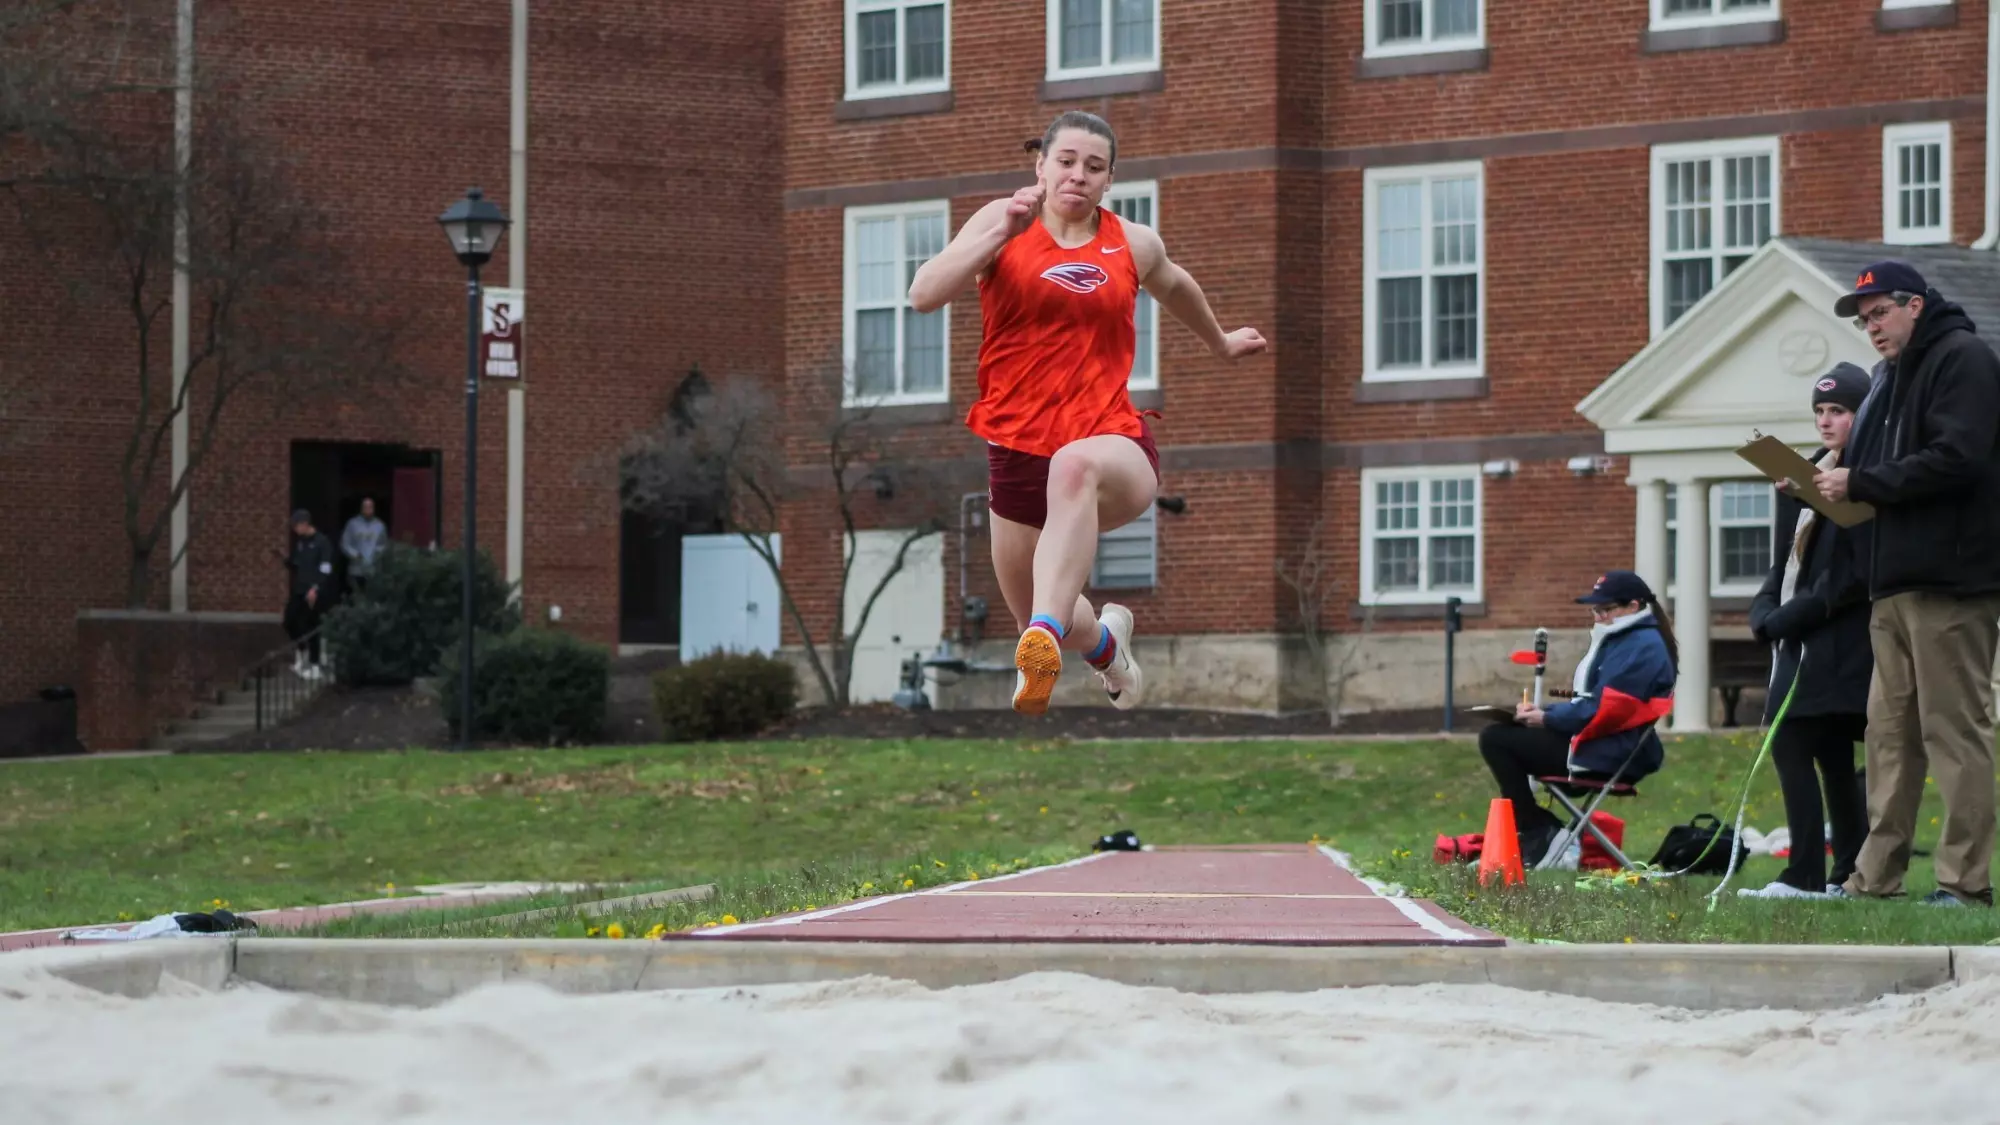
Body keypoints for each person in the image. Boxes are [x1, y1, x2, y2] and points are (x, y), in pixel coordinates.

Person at [906, 110, 1267, 716]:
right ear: (1040, 166)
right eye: (1066, 162)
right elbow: (923, 294)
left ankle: (1041, 640)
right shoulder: (1002, 223)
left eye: (1093, 167)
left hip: (1111, 444)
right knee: (1050, 607)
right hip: (1018, 455)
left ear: (1109, 180)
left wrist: (1221, 342)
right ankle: (1104, 646)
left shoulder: (1133, 243)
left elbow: (1175, 285)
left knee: (1073, 470)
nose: (1078, 175)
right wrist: (1000, 233)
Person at [1816, 260, 2000, 907]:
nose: (1872, 328)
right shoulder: (1887, 382)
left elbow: (1959, 457)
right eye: (1864, 320)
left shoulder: (1964, 358)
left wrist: (1859, 482)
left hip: (1951, 582)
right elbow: (1871, 476)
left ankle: (1965, 882)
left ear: (1914, 305)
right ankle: (1875, 878)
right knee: (1888, 736)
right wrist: (1825, 481)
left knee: (1955, 731)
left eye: (1880, 313)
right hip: (1889, 586)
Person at [1738, 363, 1874, 899]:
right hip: (1800, 639)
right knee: (1831, 755)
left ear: (1863, 414)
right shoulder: (1811, 473)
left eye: (1838, 411)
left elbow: (1847, 578)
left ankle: (1805, 874)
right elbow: (1786, 562)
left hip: (1841, 643)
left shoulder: (1861, 478)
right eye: (1819, 411)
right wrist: (1762, 610)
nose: (1825, 421)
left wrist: (1785, 619)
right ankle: (1845, 872)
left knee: (1793, 739)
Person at [1478, 571, 1679, 867]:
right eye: (1594, 610)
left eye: (1605, 609)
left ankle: (1539, 830)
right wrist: (1544, 714)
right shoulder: (1628, 639)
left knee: (1496, 739)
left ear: (1633, 606)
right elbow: (1595, 705)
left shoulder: (1641, 647)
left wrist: (1546, 717)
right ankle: (1537, 829)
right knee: (1502, 734)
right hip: (1602, 742)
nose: (1598, 617)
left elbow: (1602, 708)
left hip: (1610, 751)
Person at [282, 508, 335, 678]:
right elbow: (297, 564)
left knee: (312, 625)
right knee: (289, 620)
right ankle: (302, 650)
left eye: (296, 527)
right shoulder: (301, 542)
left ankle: (315, 663)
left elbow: (325, 569)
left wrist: (316, 588)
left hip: (314, 590)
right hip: (299, 588)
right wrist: (287, 561)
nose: (295, 531)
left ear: (305, 524)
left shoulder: (322, 542)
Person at [340, 496, 387, 595]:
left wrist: (375, 555)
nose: (368, 509)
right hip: (355, 570)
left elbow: (383, 545)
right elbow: (345, 543)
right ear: (361, 508)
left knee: (372, 599)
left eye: (370, 507)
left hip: (373, 571)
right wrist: (355, 554)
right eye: (365, 507)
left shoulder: (380, 526)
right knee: (355, 597)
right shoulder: (352, 524)